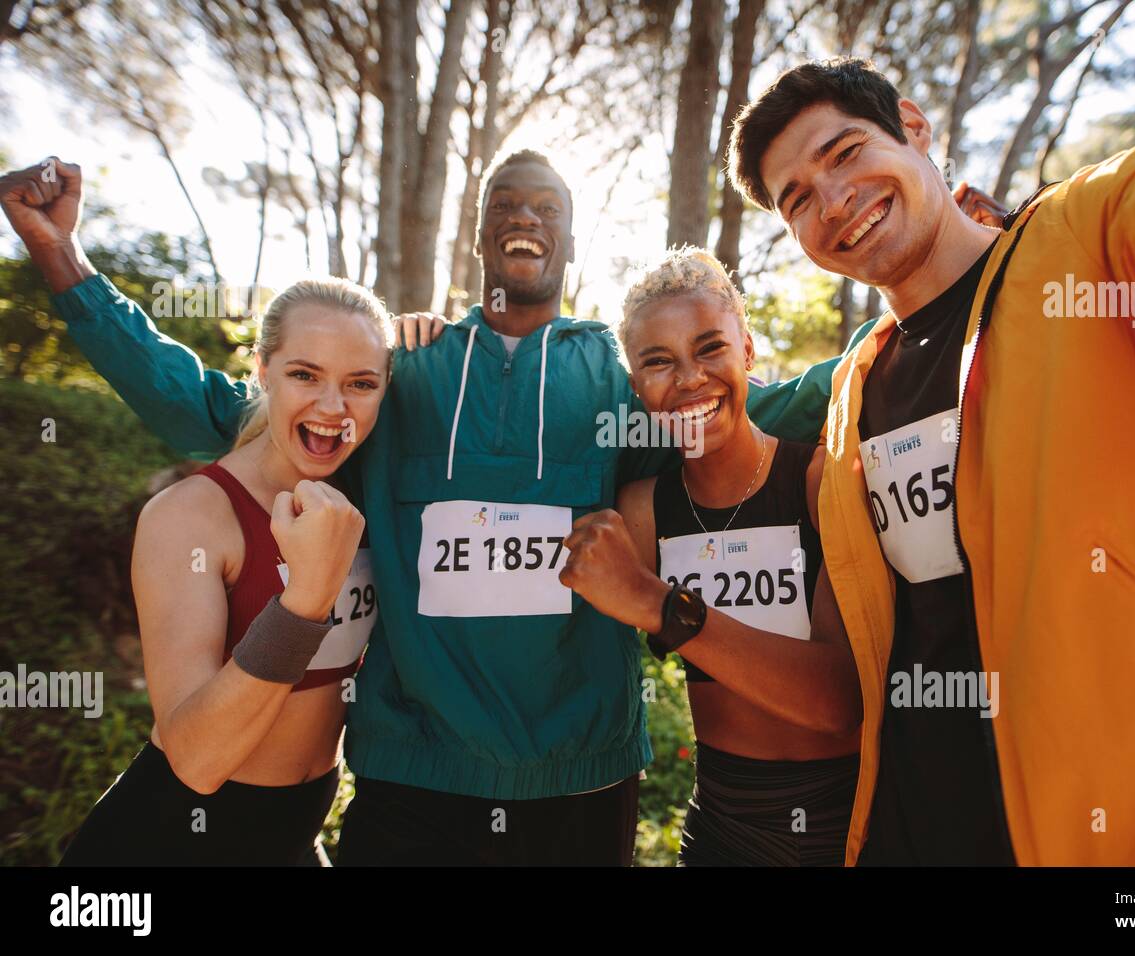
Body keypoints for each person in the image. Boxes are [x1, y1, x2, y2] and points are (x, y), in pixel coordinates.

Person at [0, 151, 868, 866]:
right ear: (480, 229)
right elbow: (208, 405)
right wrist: (65, 265)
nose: (527, 216)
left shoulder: (622, 376)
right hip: (413, 786)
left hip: (583, 779)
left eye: (548, 205)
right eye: (506, 202)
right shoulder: (400, 372)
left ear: (573, 235)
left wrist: (921, 306)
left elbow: (778, 408)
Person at [726, 56, 1135, 865]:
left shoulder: (1093, 243)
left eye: (845, 152)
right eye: (796, 200)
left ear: (915, 128)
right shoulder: (855, 387)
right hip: (911, 832)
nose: (833, 200)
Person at [48, 268, 394, 863]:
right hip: (172, 841)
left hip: (293, 832)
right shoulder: (191, 516)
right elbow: (196, 759)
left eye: (361, 383)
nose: (333, 407)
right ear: (261, 371)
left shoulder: (360, 499)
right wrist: (306, 601)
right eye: (304, 374)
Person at [559, 248, 862, 865]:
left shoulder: (821, 481)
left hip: (846, 820)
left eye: (710, 348)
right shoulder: (641, 512)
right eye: (659, 362)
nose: (690, 378)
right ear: (637, 387)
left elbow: (837, 701)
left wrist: (658, 604)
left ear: (747, 351)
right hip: (718, 824)